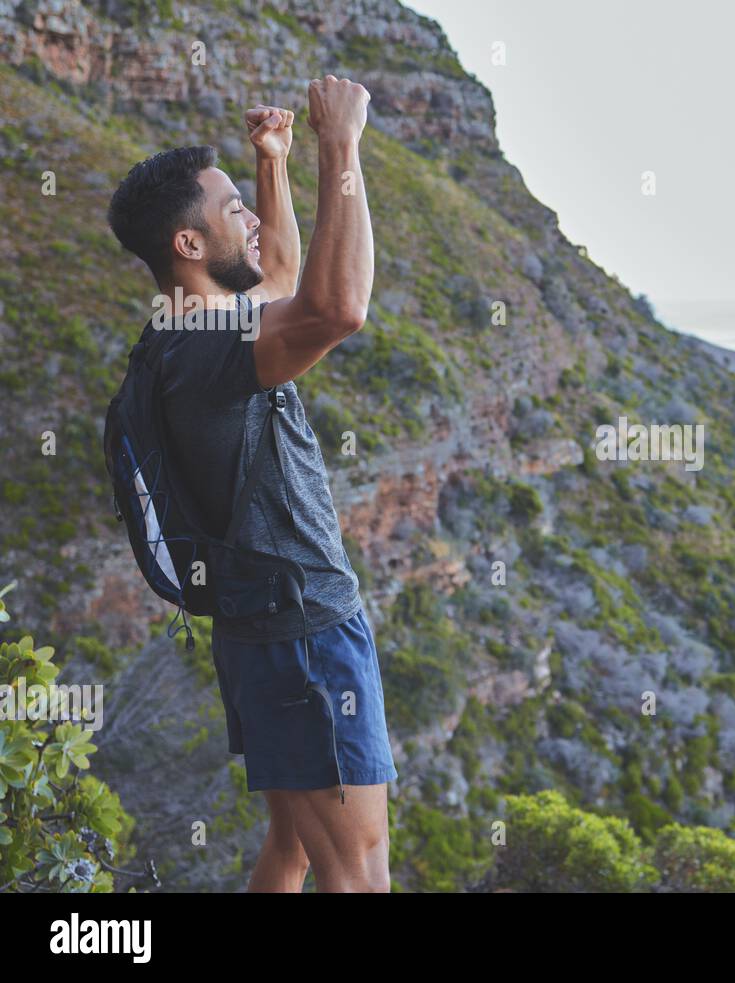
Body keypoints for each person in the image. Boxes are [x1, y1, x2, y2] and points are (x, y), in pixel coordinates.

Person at [106, 76, 394, 892]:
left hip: (257, 622)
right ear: (189, 247)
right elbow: (337, 307)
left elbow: (285, 275)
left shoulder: (179, 333)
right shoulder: (211, 347)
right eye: (233, 208)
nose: (254, 223)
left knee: (294, 848)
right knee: (359, 870)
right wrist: (341, 146)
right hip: (302, 626)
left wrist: (272, 163)